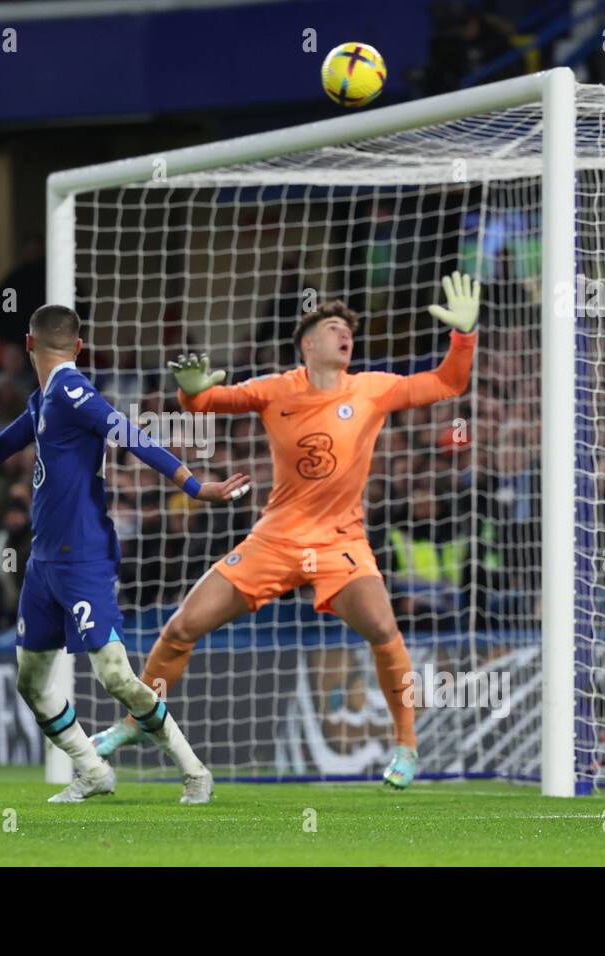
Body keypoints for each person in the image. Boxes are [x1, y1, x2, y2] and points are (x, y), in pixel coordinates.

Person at [90, 273, 481, 790]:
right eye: (334, 327)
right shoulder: (277, 390)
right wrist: (189, 394)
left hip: (341, 542)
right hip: (275, 540)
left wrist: (464, 336)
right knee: (183, 626)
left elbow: (449, 383)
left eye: (349, 329)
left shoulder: (372, 389)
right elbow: (208, 403)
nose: (345, 335)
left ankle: (407, 747)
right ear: (308, 343)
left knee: (385, 633)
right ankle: (139, 721)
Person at [0, 304, 250, 804]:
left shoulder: (70, 390)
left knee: (115, 676)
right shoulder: (43, 397)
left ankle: (194, 770)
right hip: (43, 564)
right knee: (32, 681)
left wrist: (195, 487)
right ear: (79, 345)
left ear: (27, 344)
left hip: (82, 557)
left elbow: (129, 433)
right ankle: (91, 770)